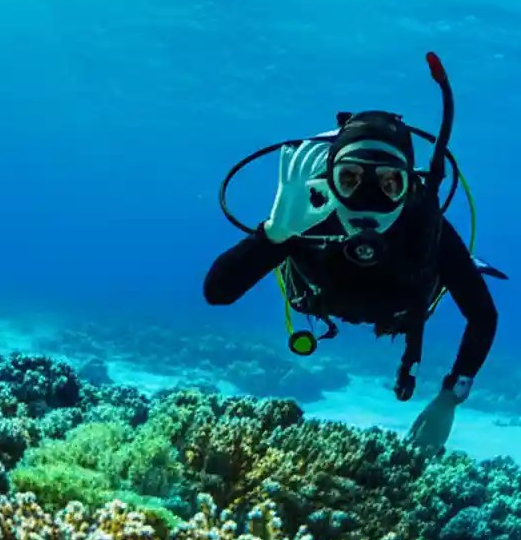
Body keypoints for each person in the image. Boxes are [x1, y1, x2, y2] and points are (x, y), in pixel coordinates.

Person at [203, 56, 503, 451]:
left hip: (402, 304)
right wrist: (273, 235)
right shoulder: (307, 216)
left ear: (410, 185)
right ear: (329, 180)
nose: (368, 201)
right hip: (325, 297)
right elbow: (218, 293)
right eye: (349, 179)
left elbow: (483, 315)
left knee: (451, 267)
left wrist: (451, 398)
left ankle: (462, 266)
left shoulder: (425, 226)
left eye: (389, 184)